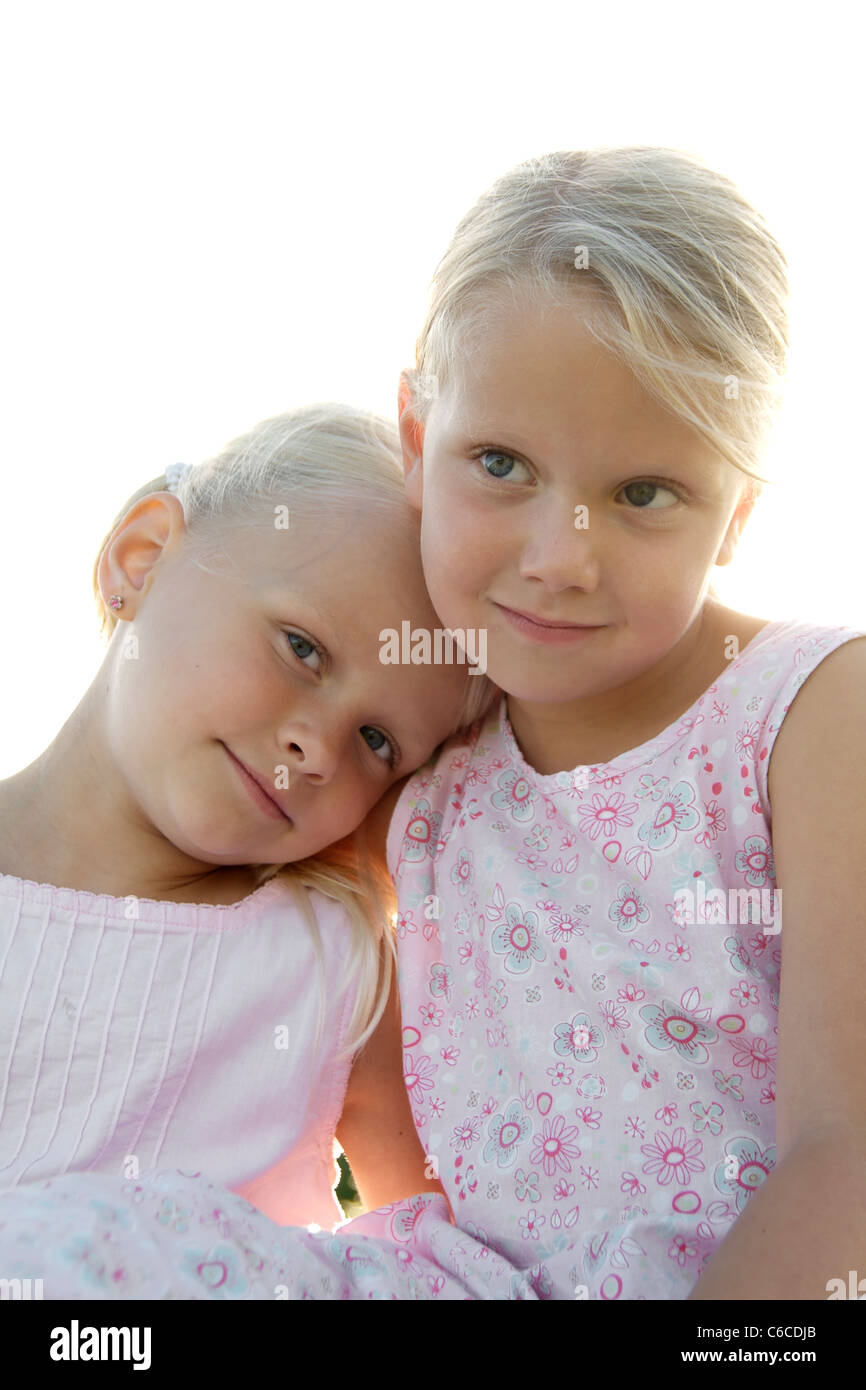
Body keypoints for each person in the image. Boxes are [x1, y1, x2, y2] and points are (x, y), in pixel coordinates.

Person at [1, 147, 863, 1300]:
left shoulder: (808, 711)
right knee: (68, 1255)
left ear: (737, 513)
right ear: (417, 436)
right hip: (459, 1291)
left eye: (645, 493)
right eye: (498, 462)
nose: (558, 559)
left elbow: (847, 1153)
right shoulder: (432, 757)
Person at [0, 401, 496, 1231]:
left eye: (377, 741)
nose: (316, 747)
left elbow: (438, 1254)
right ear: (143, 556)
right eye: (301, 647)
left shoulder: (330, 964)